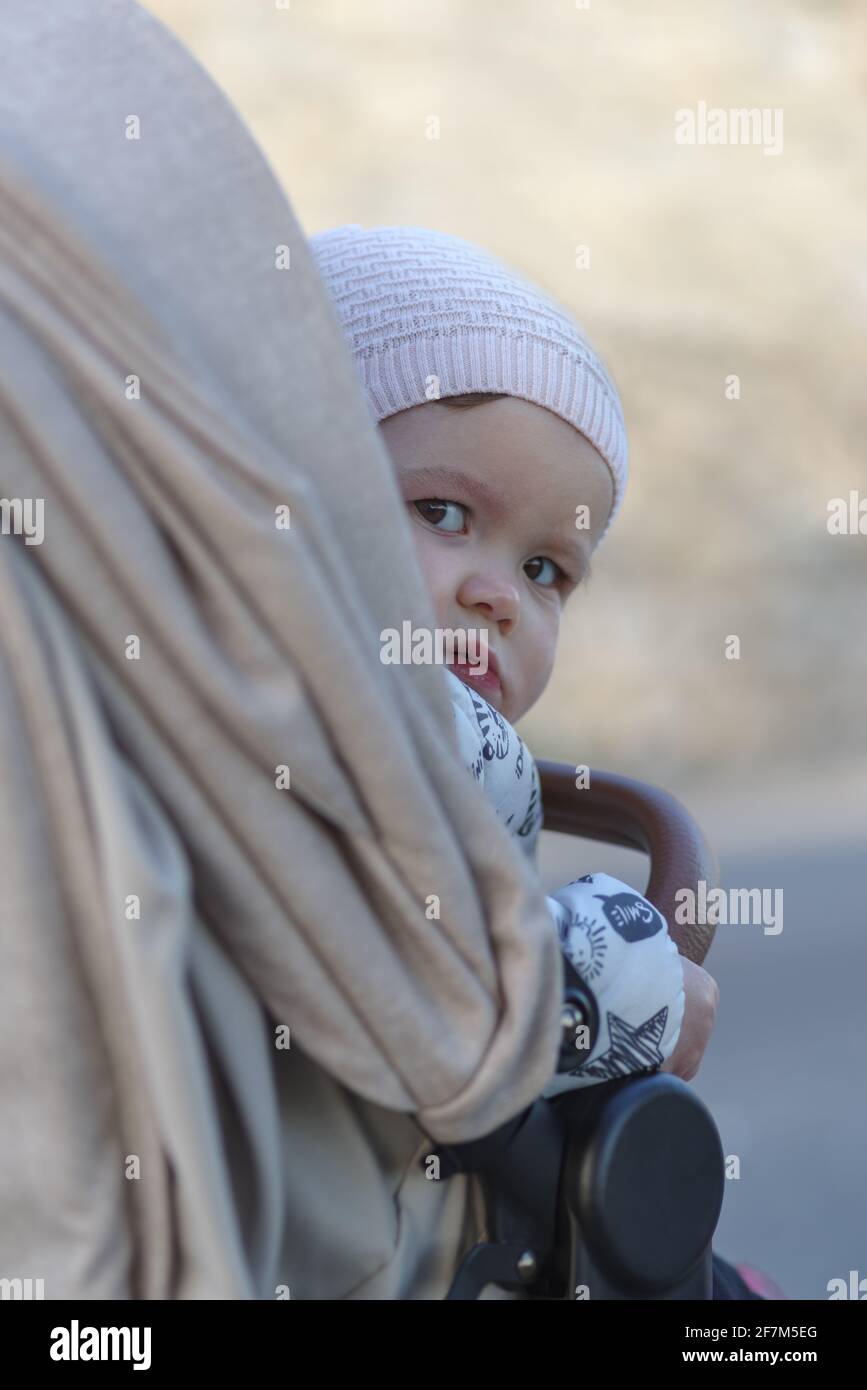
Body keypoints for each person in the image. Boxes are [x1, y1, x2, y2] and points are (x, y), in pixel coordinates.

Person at [310, 223, 785, 1298]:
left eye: (545, 568)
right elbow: (399, 983)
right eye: (443, 512)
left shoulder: (451, 768)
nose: (501, 595)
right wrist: (636, 984)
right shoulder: (297, 724)